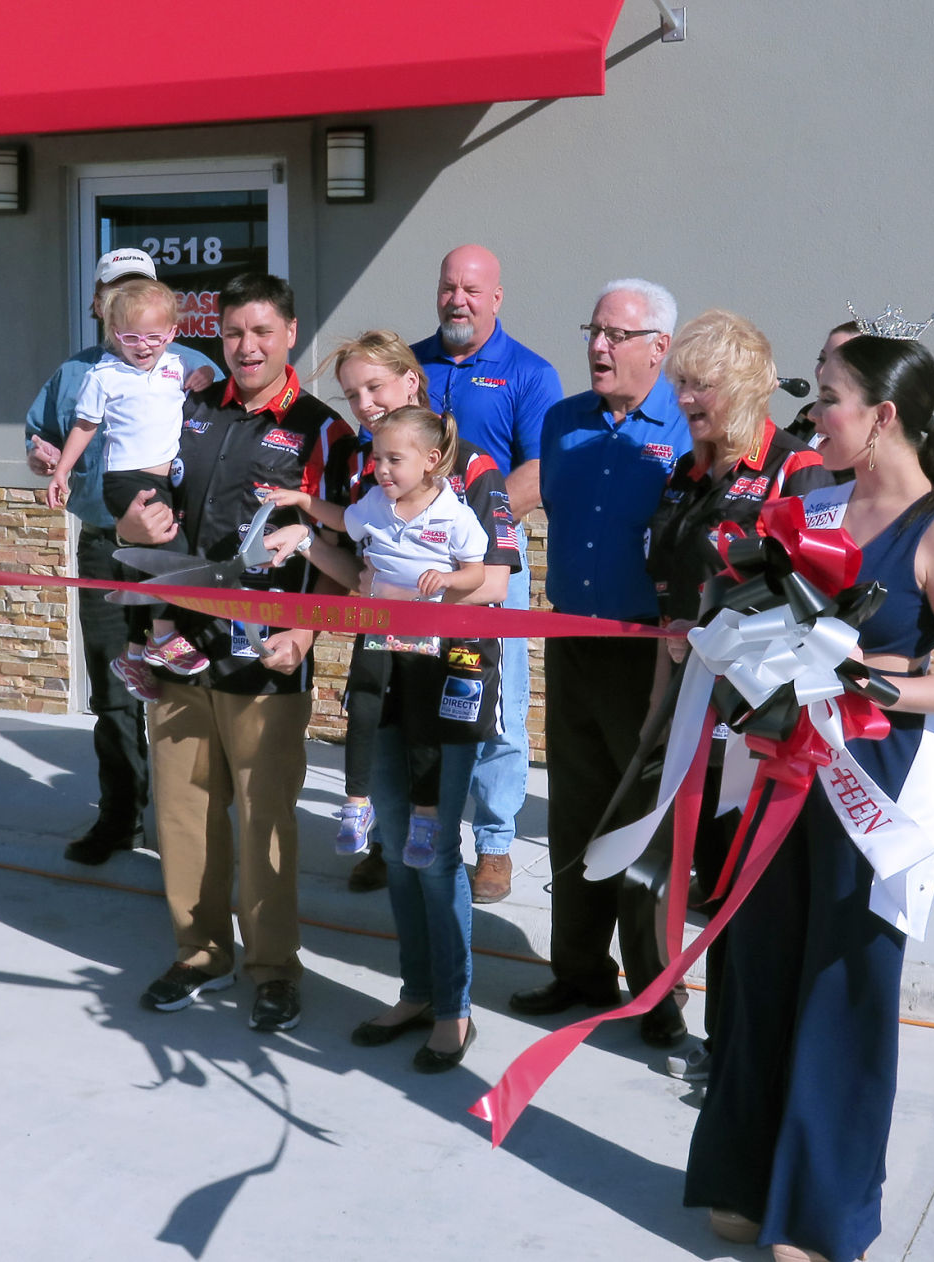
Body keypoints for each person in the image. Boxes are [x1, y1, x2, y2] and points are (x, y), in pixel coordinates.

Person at [686, 332, 934, 1262]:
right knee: (761, 962)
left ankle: (822, 1216)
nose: (809, 413)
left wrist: (873, 684)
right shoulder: (811, 505)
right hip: (786, 759)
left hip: (877, 774)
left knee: (845, 983)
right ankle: (745, 1178)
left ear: (881, 417)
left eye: (825, 398)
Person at [117, 273, 356, 1033]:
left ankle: (273, 969)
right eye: (232, 334)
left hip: (266, 660)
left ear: (289, 334)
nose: (246, 347)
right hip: (181, 648)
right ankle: (200, 953)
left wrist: (307, 633)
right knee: (183, 817)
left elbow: (342, 546)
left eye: (260, 332)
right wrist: (135, 535)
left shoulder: (322, 430)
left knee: (264, 824)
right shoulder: (192, 410)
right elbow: (160, 522)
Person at [273, 330, 516, 1070]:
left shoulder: (473, 471)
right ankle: (416, 989)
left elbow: (497, 583)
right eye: (351, 395)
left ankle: (453, 1009)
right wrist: (303, 536)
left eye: (374, 389)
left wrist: (444, 590)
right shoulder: (369, 473)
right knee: (401, 852)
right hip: (382, 671)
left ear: (411, 383)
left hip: (446, 680)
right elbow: (362, 573)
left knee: (437, 853)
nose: (363, 405)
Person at [643, 310, 833, 1082]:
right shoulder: (685, 474)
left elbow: (818, 604)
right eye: (679, 382)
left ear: (749, 387)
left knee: (749, 896)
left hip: (764, 720)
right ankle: (722, 1047)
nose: (686, 398)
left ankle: (751, 1059)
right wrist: (657, 719)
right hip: (692, 705)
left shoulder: (796, 472)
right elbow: (672, 605)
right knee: (702, 880)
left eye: (702, 385)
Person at [512, 278, 693, 1049]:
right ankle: (578, 971)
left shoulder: (683, 428)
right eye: (593, 329)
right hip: (572, 640)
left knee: (643, 823)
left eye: (617, 335)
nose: (597, 346)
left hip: (648, 653)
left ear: (658, 348)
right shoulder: (562, 422)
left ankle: (656, 991)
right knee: (574, 812)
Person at [25, 248, 217, 866]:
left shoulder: (190, 367)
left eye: (139, 291)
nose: (127, 306)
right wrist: (42, 456)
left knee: (181, 678)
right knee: (116, 681)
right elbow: (45, 438)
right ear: (101, 308)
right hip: (105, 545)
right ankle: (119, 815)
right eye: (115, 294)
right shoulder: (77, 373)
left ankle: (185, 823)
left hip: (172, 546)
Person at [405, 245, 563, 903]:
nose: (457, 300)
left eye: (471, 289)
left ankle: (494, 845)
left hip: (492, 568)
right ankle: (409, 831)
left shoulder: (529, 373)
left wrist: (469, 532)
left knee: (493, 705)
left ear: (496, 297)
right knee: (410, 699)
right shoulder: (408, 364)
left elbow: (538, 469)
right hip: (413, 568)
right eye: (447, 287)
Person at [268, 405, 489, 867]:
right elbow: (343, 519)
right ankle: (355, 805)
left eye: (393, 460)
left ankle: (425, 818)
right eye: (377, 459)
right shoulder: (374, 503)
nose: (380, 470)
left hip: (428, 635)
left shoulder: (455, 514)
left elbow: (475, 575)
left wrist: (446, 580)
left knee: (422, 723)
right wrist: (305, 504)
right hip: (377, 625)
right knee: (364, 706)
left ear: (430, 460)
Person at [45, 276, 208, 692]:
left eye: (154, 336)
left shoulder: (178, 365)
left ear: (173, 333)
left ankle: (135, 652)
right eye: (130, 337)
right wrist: (63, 470)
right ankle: (164, 637)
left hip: (167, 480)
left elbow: (205, 380)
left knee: (151, 569)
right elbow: (84, 426)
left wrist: (205, 373)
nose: (143, 346)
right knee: (175, 556)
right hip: (124, 481)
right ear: (114, 334)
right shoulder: (104, 376)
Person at [785, 319, 860, 446]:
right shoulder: (808, 414)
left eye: (838, 364)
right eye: (822, 359)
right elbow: (775, 453)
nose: (821, 372)